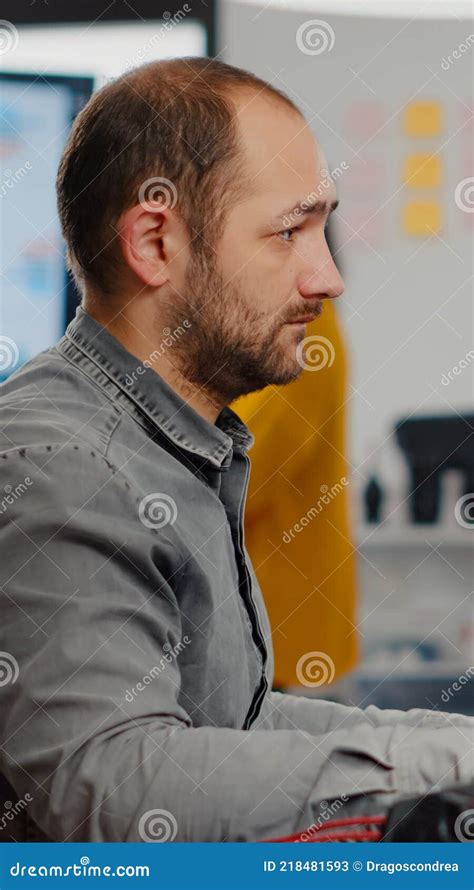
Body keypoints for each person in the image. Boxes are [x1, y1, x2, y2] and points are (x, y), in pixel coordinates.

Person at [0, 57, 471, 843]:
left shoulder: (175, 445)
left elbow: (236, 719)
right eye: (289, 232)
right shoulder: (61, 465)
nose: (328, 277)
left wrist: (450, 754)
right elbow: (114, 785)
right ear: (154, 243)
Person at [232, 298, 358, 690]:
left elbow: (245, 476)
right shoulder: (269, 323)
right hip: (271, 627)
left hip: (283, 636)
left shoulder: (305, 328)